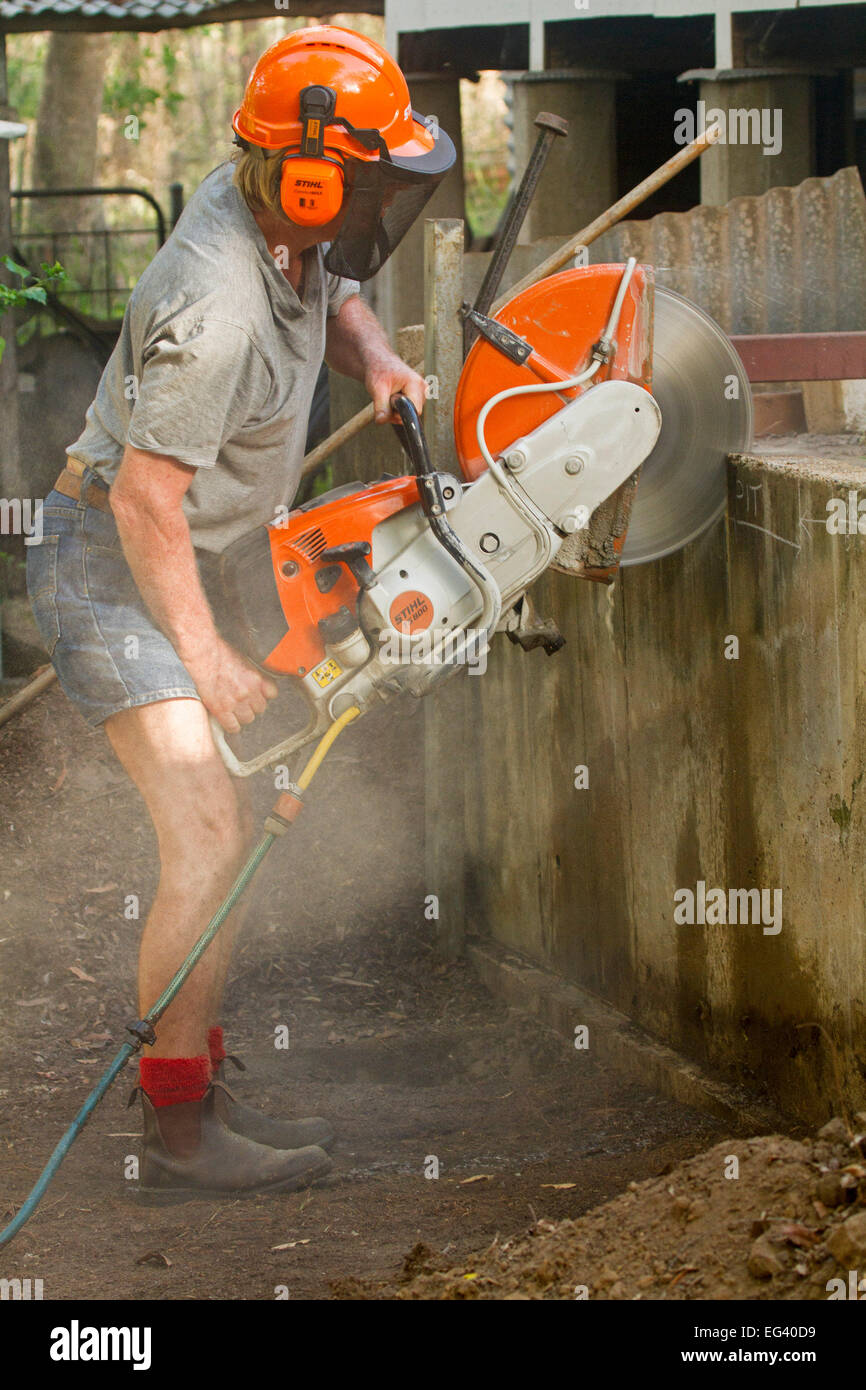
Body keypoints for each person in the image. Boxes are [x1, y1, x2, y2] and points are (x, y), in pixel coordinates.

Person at [26, 24, 455, 1200]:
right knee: (209, 836)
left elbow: (343, 281)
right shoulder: (213, 303)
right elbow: (141, 499)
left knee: (224, 828)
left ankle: (193, 1081)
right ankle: (177, 1142)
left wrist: (369, 354)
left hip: (171, 553)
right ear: (309, 178)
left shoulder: (282, 209)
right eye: (366, 182)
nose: (376, 205)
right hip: (108, 562)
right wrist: (207, 657)